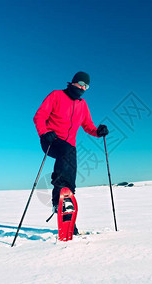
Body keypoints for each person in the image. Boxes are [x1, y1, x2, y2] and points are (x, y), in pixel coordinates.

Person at [33, 71, 109, 234]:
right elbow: (39, 116)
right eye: (81, 83)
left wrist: (99, 131)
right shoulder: (56, 95)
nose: (83, 87)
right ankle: (57, 201)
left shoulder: (83, 105)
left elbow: (88, 126)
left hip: (67, 148)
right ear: (73, 82)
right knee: (68, 152)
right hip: (50, 139)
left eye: (86, 86)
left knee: (71, 158)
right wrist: (45, 132)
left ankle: (66, 202)